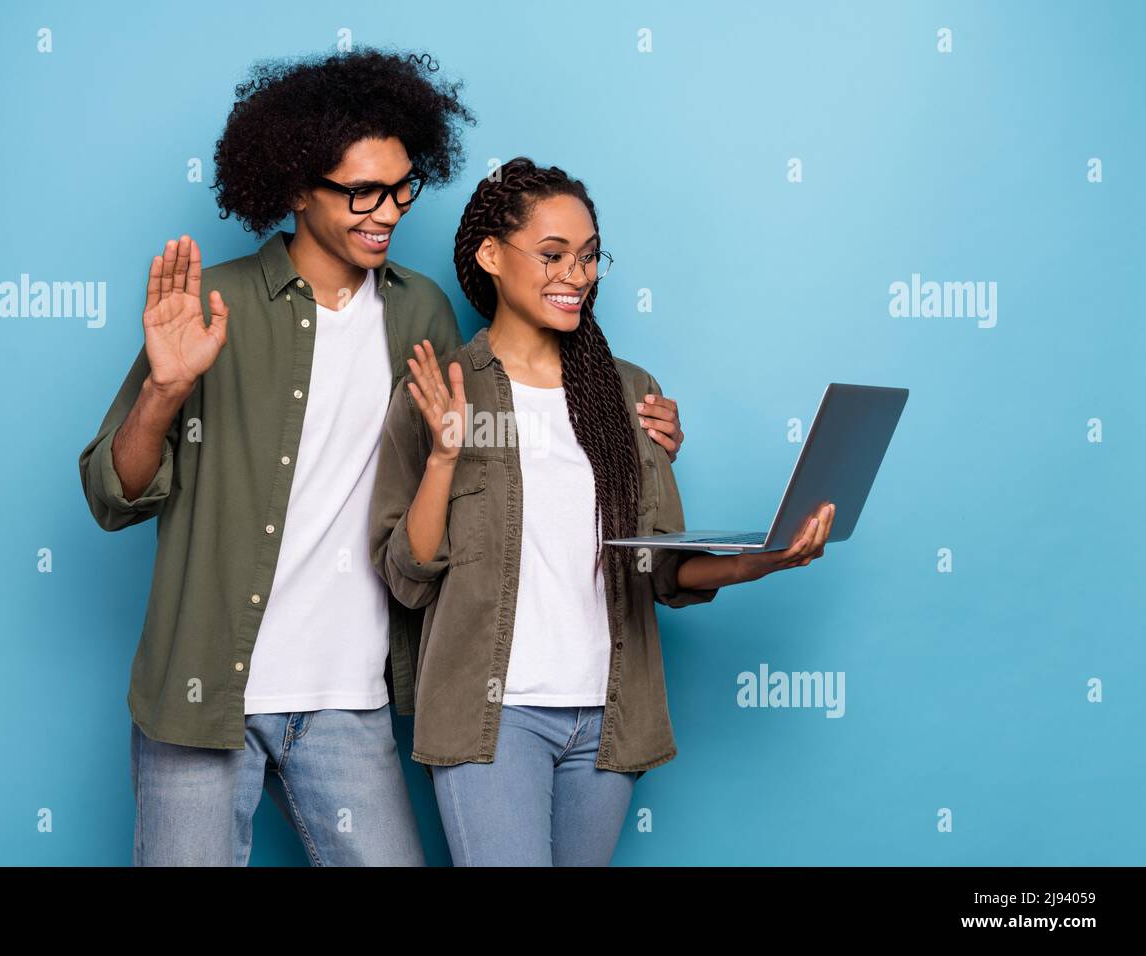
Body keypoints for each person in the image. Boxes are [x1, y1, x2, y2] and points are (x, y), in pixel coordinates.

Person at [78, 51, 686, 867]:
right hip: (202, 692)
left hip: (349, 704)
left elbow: (484, 459)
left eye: (403, 188)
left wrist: (629, 429)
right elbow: (110, 495)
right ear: (296, 188)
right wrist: (162, 391)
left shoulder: (421, 311)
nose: (388, 212)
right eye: (362, 191)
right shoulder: (210, 306)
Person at [370, 158, 835, 866]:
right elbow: (406, 577)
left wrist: (770, 557)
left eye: (589, 257)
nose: (577, 275)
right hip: (492, 718)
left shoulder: (631, 394)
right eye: (553, 255)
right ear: (491, 256)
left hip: (607, 720)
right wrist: (442, 457)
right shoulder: (442, 392)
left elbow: (664, 572)